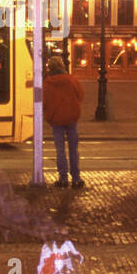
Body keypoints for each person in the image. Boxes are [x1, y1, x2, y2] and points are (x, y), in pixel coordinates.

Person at [43, 56, 85, 189]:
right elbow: (81, 95)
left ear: (50, 67)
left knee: (60, 150)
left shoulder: (48, 83)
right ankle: (76, 178)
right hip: (72, 118)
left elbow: (44, 102)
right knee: (73, 149)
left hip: (56, 119)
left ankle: (63, 178)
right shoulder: (72, 80)